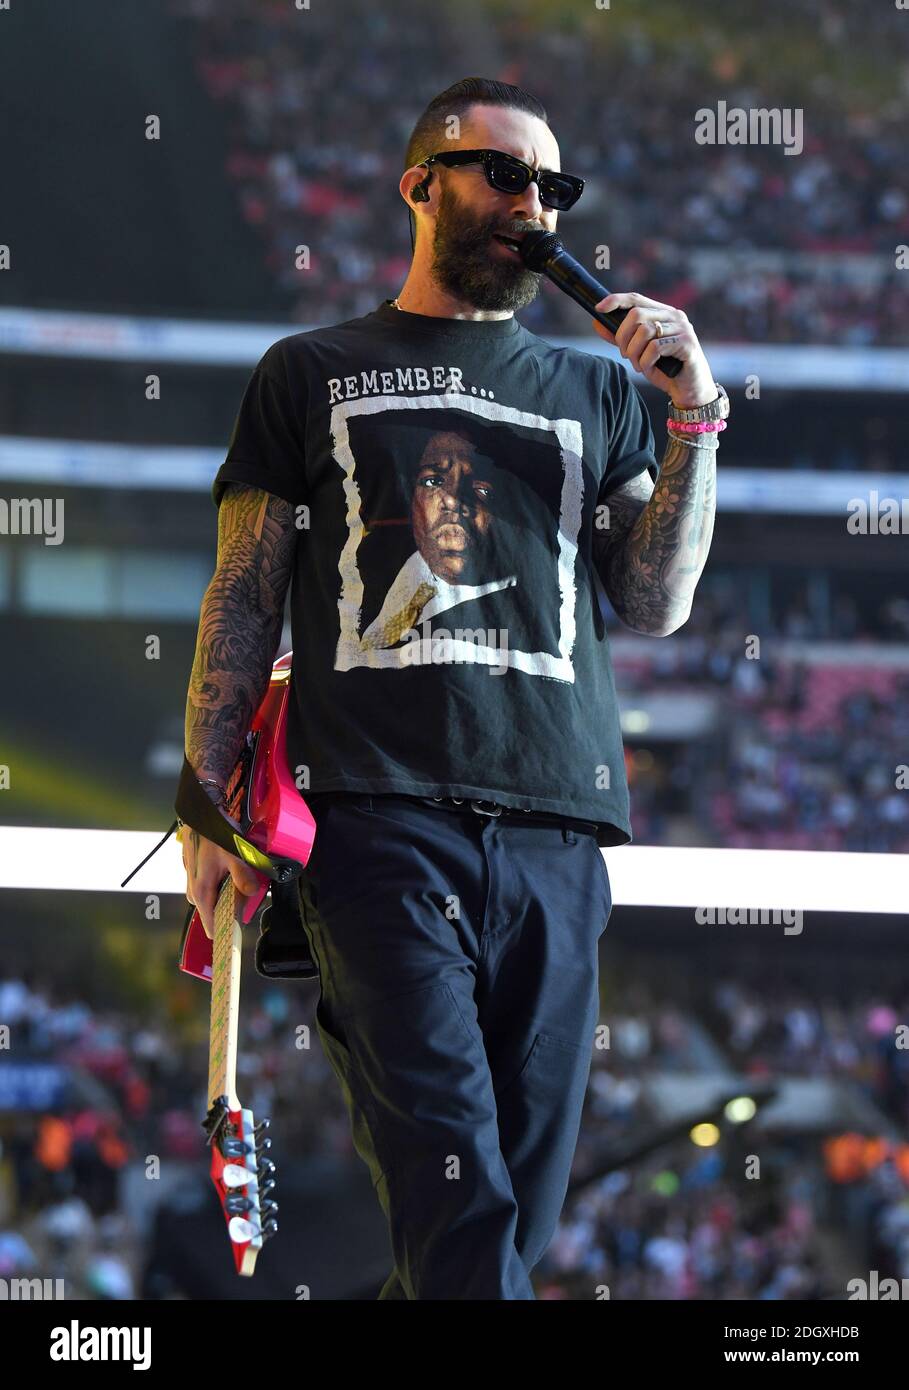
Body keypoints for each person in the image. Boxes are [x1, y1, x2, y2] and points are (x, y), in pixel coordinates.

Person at [181, 76, 723, 1300]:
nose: (535, 207)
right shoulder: (309, 369)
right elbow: (241, 599)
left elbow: (656, 600)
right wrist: (208, 807)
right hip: (373, 822)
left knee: (500, 1229)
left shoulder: (598, 396)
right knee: (459, 1198)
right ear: (422, 183)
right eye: (504, 175)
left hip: (557, 826)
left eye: (553, 189)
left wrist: (692, 417)